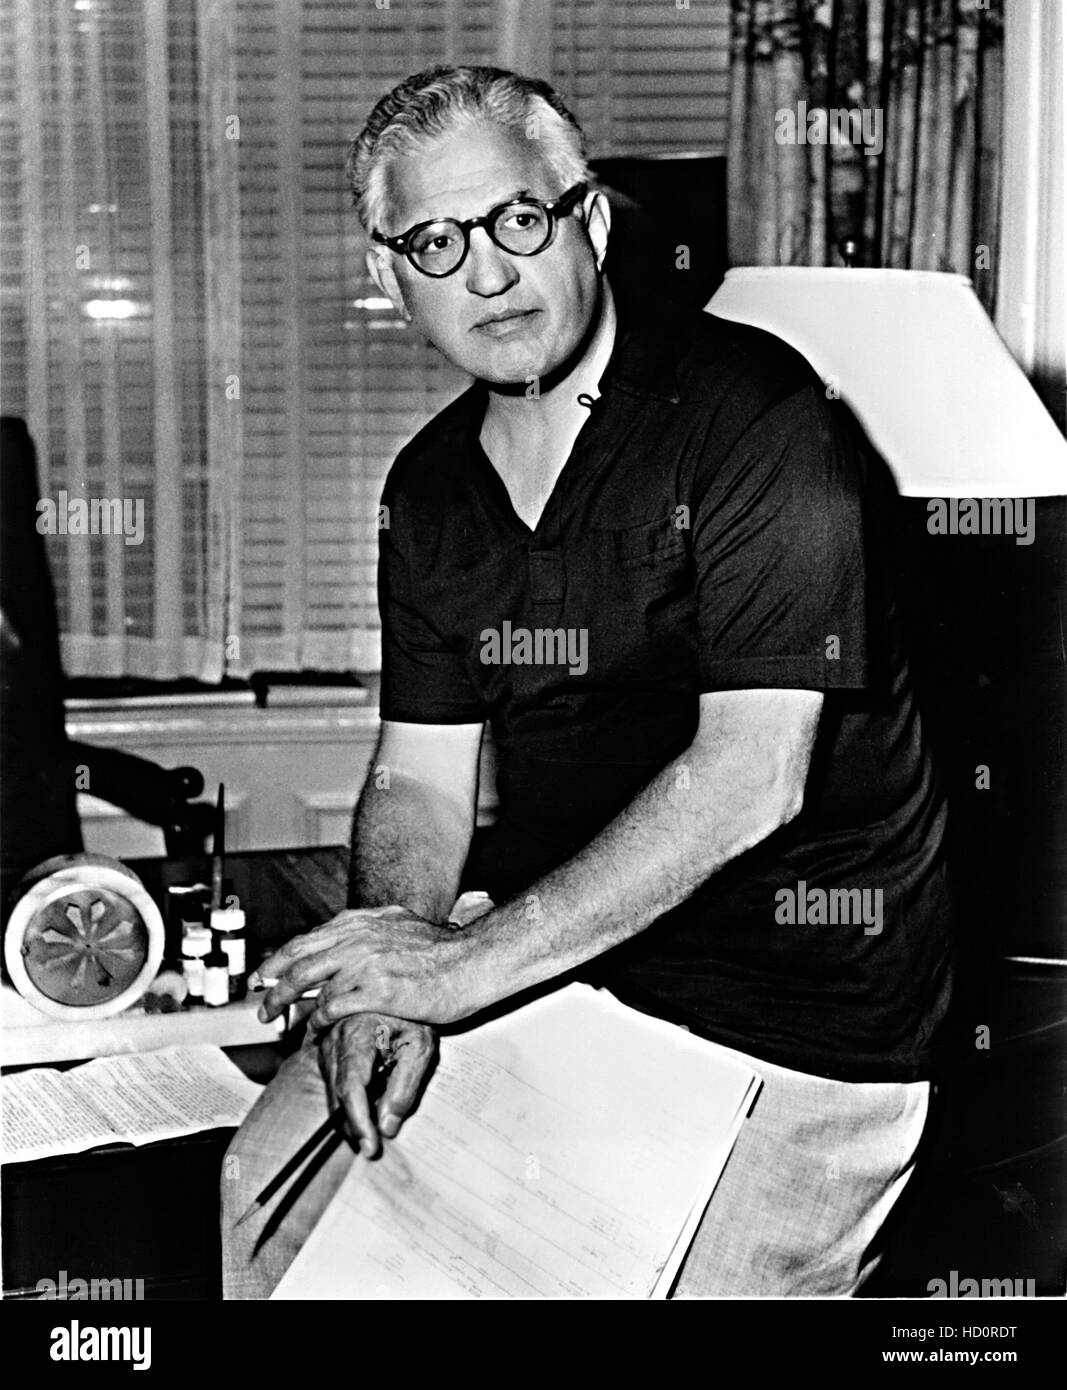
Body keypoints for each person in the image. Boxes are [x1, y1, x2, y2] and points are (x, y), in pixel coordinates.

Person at [222, 64, 952, 1299]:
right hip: (571, 956)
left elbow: (748, 781)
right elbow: (419, 777)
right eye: (434, 242)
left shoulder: (758, 416)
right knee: (268, 1202)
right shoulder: (428, 488)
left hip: (803, 1016)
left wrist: (457, 969)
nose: (486, 276)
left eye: (517, 220)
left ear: (591, 224)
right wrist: (393, 976)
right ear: (389, 278)